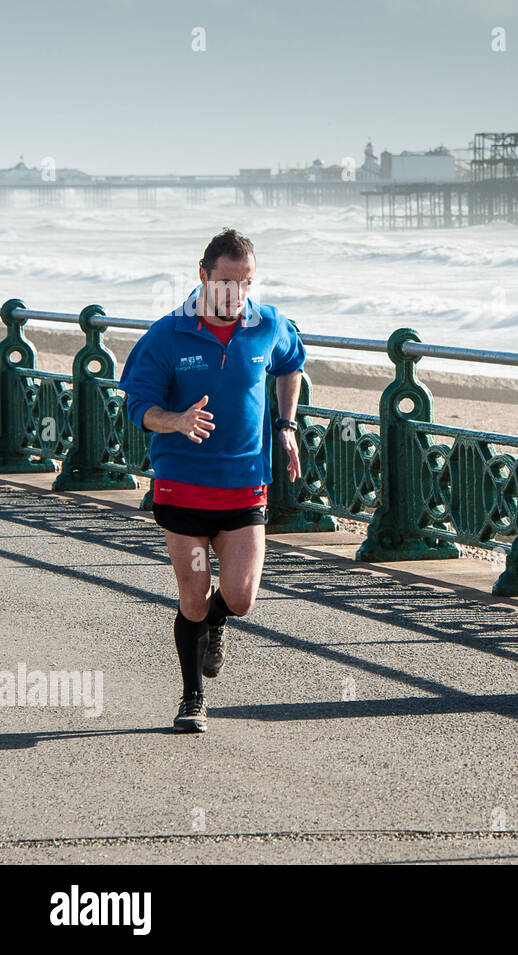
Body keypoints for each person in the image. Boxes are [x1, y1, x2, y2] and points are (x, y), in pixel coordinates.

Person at [119, 228, 305, 733]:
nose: (237, 295)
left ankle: (217, 622)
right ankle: (192, 699)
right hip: (184, 491)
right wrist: (174, 420)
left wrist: (285, 426)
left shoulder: (268, 325)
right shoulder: (166, 334)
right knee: (194, 595)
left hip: (245, 486)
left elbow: (293, 366)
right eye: (226, 282)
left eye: (246, 284)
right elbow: (138, 406)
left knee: (240, 597)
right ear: (203, 275)